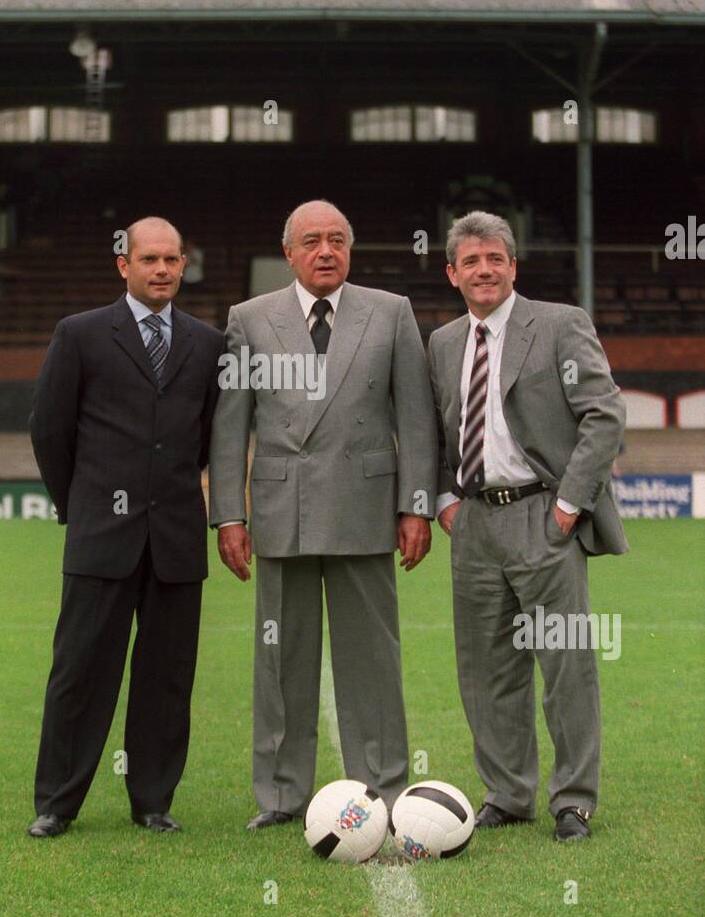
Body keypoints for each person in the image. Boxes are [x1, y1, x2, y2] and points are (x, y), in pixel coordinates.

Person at [208, 199, 437, 828]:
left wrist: (416, 505)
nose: (325, 251)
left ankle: (384, 791)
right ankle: (281, 796)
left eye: (337, 239)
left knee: (373, 662)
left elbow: (417, 421)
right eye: (311, 241)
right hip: (283, 514)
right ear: (289, 252)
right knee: (281, 662)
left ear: (351, 249)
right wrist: (229, 515)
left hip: (367, 512)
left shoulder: (391, 313)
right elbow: (230, 429)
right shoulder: (249, 320)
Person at [427, 210, 627, 843]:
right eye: (471, 261)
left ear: (513, 266)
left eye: (496, 259)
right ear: (452, 272)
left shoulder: (561, 325)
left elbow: (605, 414)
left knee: (565, 663)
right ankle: (508, 794)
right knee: (486, 670)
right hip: (475, 522)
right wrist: (442, 499)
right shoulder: (442, 343)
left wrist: (570, 502)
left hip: (546, 515)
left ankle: (573, 800)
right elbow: (436, 428)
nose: (484, 270)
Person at [27, 218, 224, 838]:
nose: (163, 270)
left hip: (175, 541)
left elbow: (208, 438)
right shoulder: (81, 335)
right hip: (100, 536)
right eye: (150, 259)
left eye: (173, 259)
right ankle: (57, 803)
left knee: (167, 677)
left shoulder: (209, 342)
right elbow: (50, 431)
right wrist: (79, 506)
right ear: (124, 265)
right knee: (81, 671)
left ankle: (152, 801)